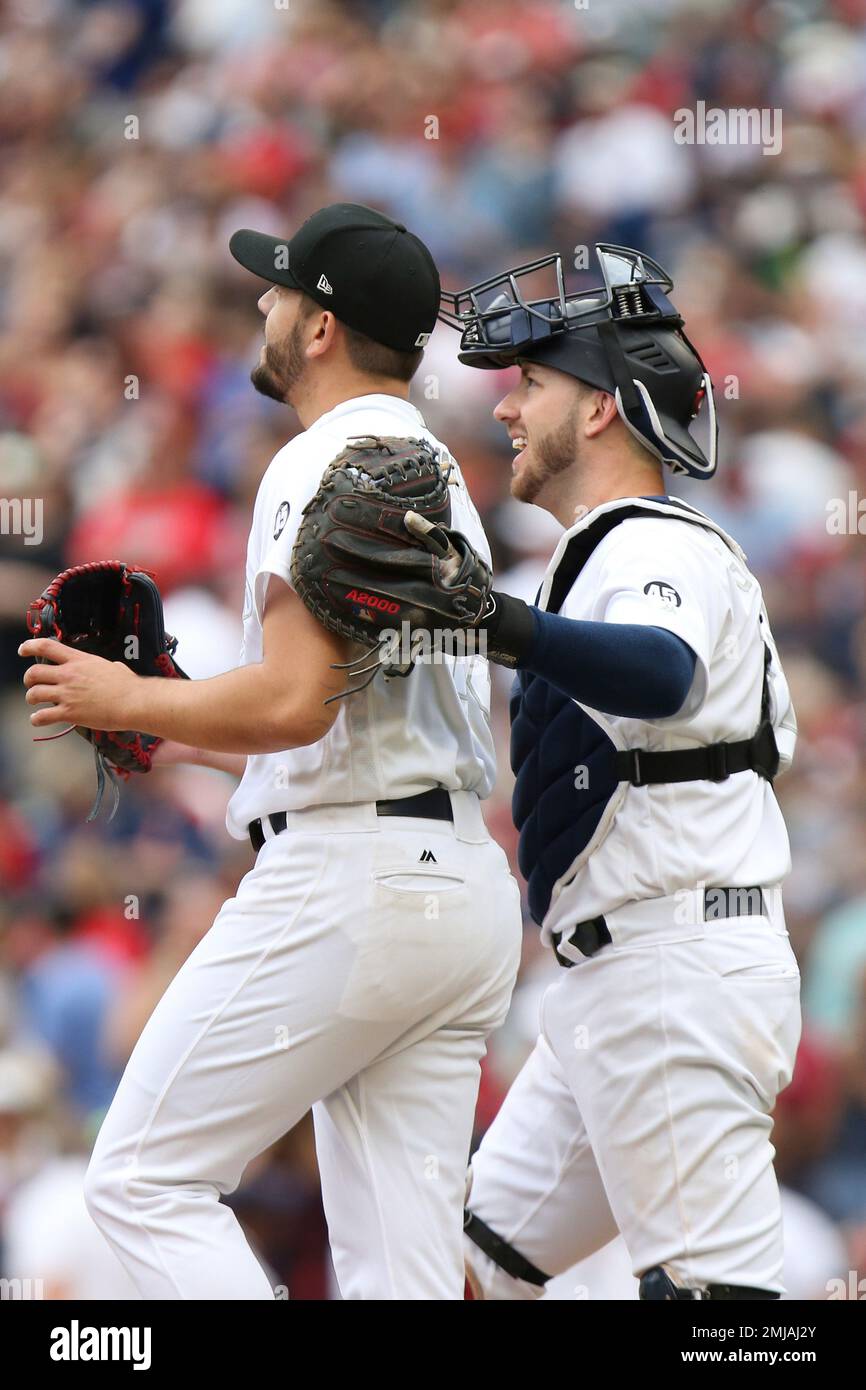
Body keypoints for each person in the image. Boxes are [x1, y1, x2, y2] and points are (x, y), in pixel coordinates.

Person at [19, 202, 522, 1300]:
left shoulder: (317, 461)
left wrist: (114, 691)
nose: (263, 303)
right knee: (405, 1278)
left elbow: (295, 704)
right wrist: (173, 714)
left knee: (142, 1180)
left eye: (280, 291)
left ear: (323, 327)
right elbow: (330, 720)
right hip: (454, 886)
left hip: (349, 882)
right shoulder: (443, 478)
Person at [426, 244, 801, 1298]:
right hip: (613, 977)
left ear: (598, 408)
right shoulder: (598, 552)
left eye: (531, 383)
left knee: (712, 1308)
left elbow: (661, 672)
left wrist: (499, 623)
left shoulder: (650, 542)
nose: (507, 409)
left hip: (674, 964)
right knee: (463, 1269)